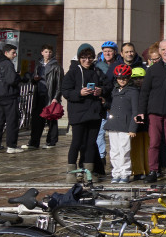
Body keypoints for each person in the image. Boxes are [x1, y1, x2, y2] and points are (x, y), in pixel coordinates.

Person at [139, 38, 166, 183]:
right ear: (159, 51)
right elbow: (144, 92)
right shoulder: (152, 70)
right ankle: (153, 171)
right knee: (154, 143)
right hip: (154, 112)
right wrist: (141, 111)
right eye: (163, 49)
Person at [61, 44, 106, 182]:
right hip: (78, 113)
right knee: (77, 142)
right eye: (84, 58)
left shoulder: (97, 71)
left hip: (94, 113)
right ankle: (71, 172)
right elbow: (65, 91)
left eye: (90, 57)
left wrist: (101, 90)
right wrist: (79, 93)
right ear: (79, 58)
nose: (87, 60)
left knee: (91, 143)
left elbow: (108, 85)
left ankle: (89, 172)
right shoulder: (73, 72)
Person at [104, 64, 140, 184]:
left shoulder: (133, 91)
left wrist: (133, 128)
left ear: (129, 78)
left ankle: (125, 173)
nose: (122, 81)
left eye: (124, 78)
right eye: (119, 78)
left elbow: (136, 111)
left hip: (126, 125)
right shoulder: (114, 90)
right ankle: (116, 172)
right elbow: (112, 106)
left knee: (124, 150)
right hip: (114, 124)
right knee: (114, 151)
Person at [0, 44, 22, 154]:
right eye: (13, 52)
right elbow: (11, 80)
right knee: (12, 121)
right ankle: (11, 146)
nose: (15, 54)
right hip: (8, 95)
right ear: (6, 53)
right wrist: (19, 76)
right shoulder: (7, 63)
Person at [27, 44, 63, 149]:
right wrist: (34, 79)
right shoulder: (39, 66)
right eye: (46, 52)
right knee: (37, 119)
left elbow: (60, 84)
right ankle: (34, 141)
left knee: (51, 119)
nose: (48, 54)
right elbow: (33, 80)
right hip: (39, 95)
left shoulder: (56, 67)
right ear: (42, 52)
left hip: (50, 95)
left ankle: (51, 141)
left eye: (50, 52)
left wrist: (56, 97)